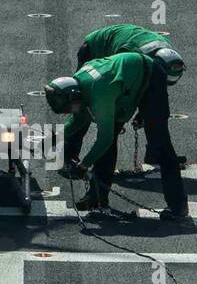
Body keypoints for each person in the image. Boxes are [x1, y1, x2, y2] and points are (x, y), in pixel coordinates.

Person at [45, 50, 189, 221]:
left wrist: (83, 166)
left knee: (160, 143)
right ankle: (97, 199)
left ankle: (178, 207)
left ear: (73, 96)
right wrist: (51, 139)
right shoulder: (79, 83)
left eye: (68, 108)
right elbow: (78, 118)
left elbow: (104, 138)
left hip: (150, 77)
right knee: (107, 143)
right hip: (124, 85)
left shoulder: (100, 94)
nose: (69, 111)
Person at [68, 23, 187, 172]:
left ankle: (155, 153)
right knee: (83, 105)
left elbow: (151, 94)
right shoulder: (128, 56)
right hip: (93, 51)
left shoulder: (165, 54)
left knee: (157, 109)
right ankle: (68, 154)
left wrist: (144, 113)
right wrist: (117, 118)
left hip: (127, 50)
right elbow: (114, 86)